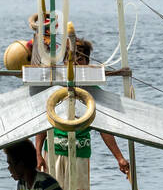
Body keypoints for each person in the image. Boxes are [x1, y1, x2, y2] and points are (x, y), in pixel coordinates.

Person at [32, 37, 131, 179]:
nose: (75, 64)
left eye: (80, 59)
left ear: (87, 63)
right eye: (71, 59)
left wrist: (119, 158)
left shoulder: (92, 92)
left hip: (80, 154)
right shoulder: (55, 89)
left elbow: (104, 128)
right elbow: (42, 123)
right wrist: (38, 155)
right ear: (65, 62)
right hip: (54, 153)